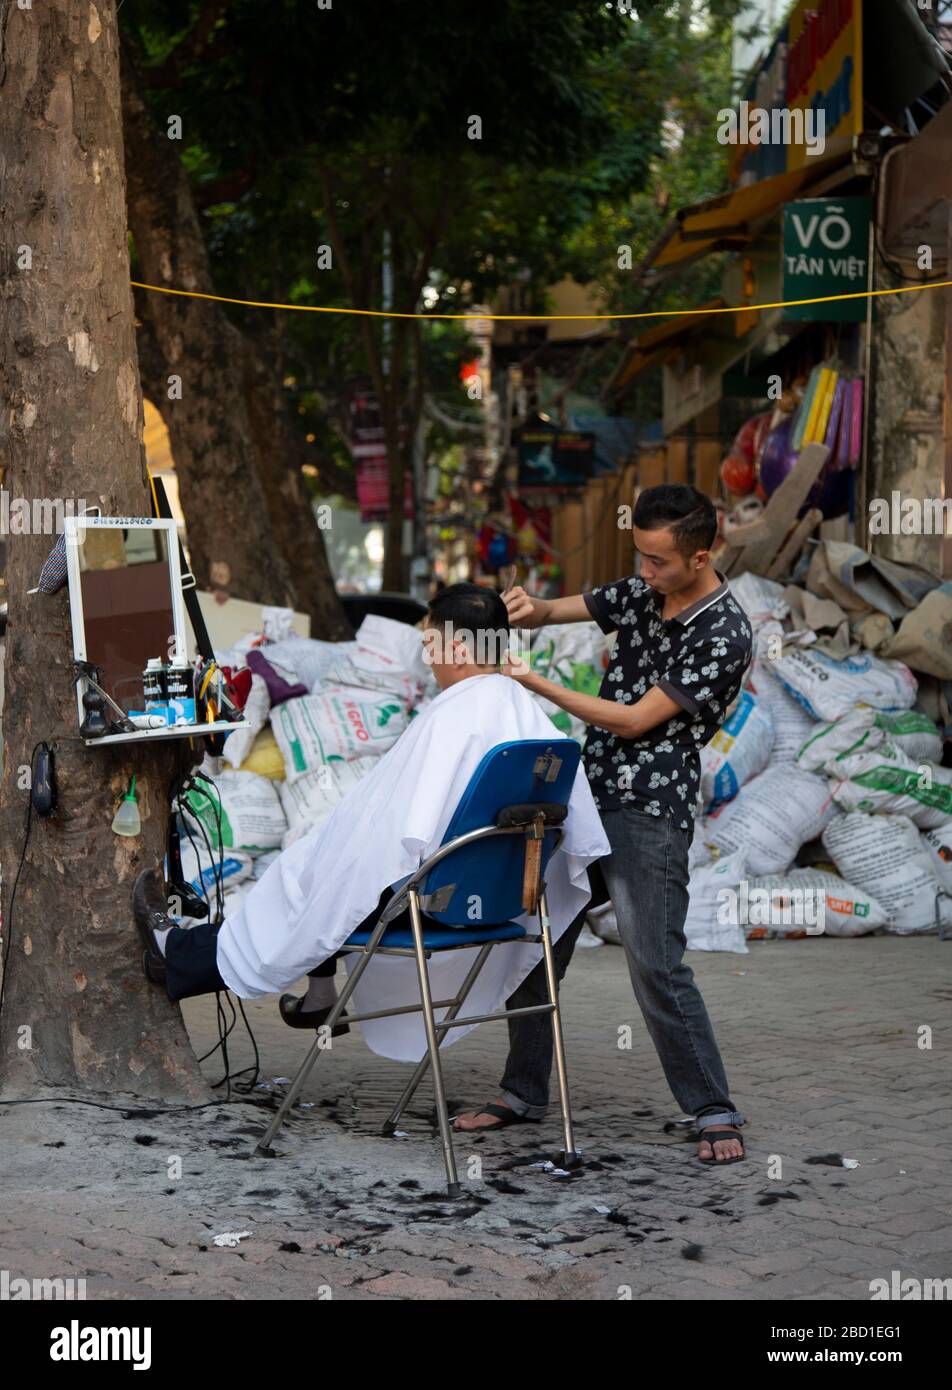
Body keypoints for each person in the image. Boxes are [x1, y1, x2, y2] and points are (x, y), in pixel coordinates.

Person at [134, 583, 609, 1064]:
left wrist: (329, 852)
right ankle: (316, 992)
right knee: (325, 873)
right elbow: (577, 839)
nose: (428, 661)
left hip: (429, 901)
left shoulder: (454, 716)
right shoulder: (534, 721)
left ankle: (178, 955)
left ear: (459, 648)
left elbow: (394, 834)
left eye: (429, 646)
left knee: (318, 881)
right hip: (498, 901)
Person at [453, 485, 753, 1165]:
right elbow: (572, 606)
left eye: (657, 562)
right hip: (587, 795)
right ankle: (521, 1093)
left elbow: (636, 720)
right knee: (542, 937)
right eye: (639, 558)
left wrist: (535, 685)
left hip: (651, 806)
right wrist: (529, 610)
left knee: (654, 961)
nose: (643, 574)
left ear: (700, 556)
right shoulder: (646, 587)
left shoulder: (723, 631)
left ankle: (713, 1106)